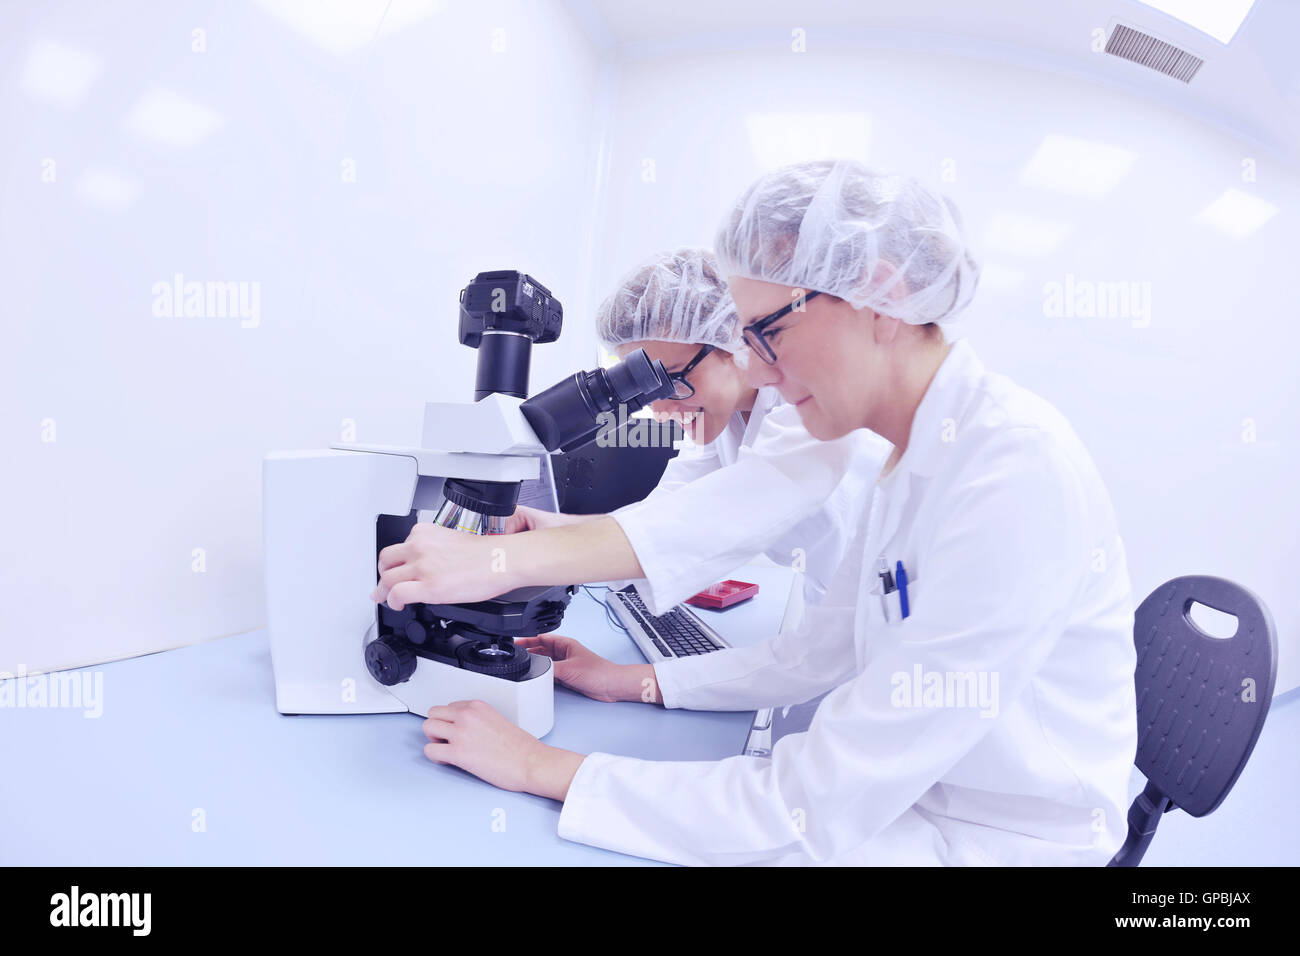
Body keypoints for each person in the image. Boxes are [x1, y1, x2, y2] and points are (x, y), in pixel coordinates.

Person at [372, 159, 1139, 865]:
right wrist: (633, 683)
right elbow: (818, 652)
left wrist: (544, 767)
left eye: (769, 333)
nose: (758, 373)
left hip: (1001, 842)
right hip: (912, 794)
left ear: (883, 293)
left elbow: (804, 804)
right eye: (746, 341)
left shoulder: (1010, 473)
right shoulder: (914, 461)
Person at [508, 247, 889, 614]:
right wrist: (552, 527)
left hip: (882, 610)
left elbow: (699, 527)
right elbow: (663, 515)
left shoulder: (805, 410)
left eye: (669, 380)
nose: (660, 410)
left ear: (732, 342)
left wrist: (500, 562)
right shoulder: (719, 422)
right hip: (833, 613)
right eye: (644, 389)